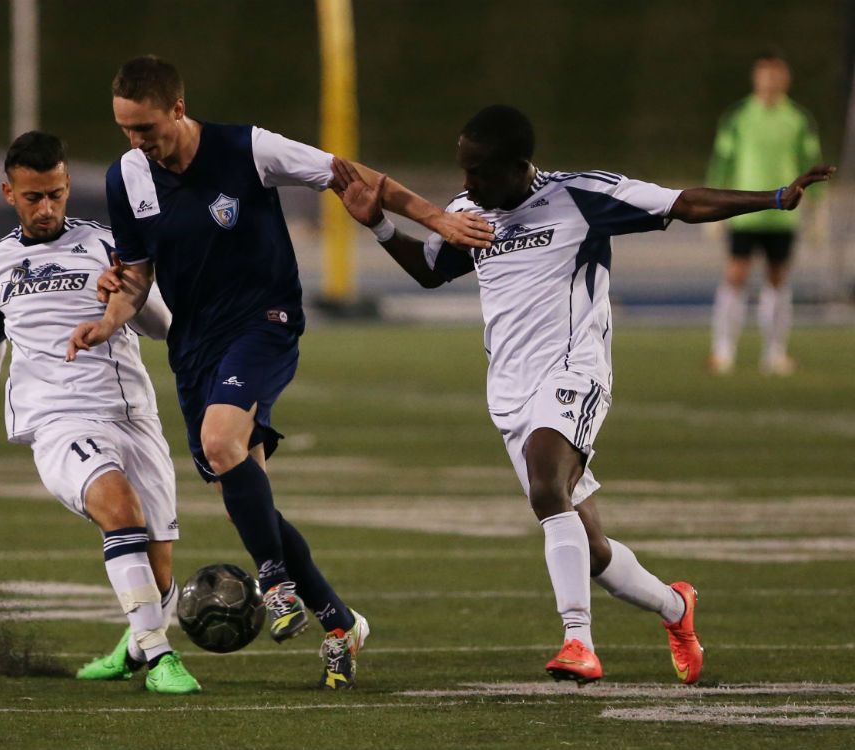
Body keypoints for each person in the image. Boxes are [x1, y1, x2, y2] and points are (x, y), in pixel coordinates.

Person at [330, 104, 834, 685]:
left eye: (481, 172)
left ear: (521, 166)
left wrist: (772, 198)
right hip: (510, 390)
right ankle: (677, 607)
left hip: (575, 370)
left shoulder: (581, 197)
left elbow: (681, 203)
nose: (468, 185)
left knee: (548, 485)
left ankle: (578, 641)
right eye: (464, 171)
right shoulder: (470, 212)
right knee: (590, 550)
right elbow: (430, 271)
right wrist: (379, 224)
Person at [67, 55, 492, 689]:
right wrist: (108, 318)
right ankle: (341, 623)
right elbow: (135, 277)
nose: (138, 142)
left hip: (263, 322)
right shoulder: (127, 177)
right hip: (193, 346)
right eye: (126, 129)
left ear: (178, 110)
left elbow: (358, 177)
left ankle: (274, 585)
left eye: (147, 128)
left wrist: (437, 220)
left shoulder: (250, 148)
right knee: (245, 499)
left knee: (219, 442)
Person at [0, 130, 201, 695]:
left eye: (57, 195)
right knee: (120, 509)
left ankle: (135, 645)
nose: (47, 208)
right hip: (57, 418)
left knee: (159, 566)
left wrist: (128, 295)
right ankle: (162, 658)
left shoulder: (109, 246)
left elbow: (163, 327)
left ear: (68, 187)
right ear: (8, 193)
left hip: (132, 413)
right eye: (34, 196)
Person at [708, 52, 824, 375]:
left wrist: (817, 210)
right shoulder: (739, 116)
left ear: (785, 78)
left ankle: (774, 353)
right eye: (765, 74)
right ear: (755, 77)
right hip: (746, 212)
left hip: (783, 215)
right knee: (735, 277)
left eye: (776, 74)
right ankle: (723, 351)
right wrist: (715, 206)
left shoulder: (798, 120)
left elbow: (810, 164)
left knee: (777, 281)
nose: (770, 80)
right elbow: (722, 161)